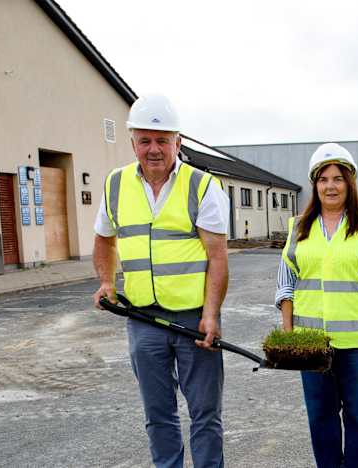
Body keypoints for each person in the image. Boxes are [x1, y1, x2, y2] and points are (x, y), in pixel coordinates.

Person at [92, 94, 230, 468]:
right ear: (133, 141)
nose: (153, 149)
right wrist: (107, 281)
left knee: (204, 413)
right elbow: (104, 239)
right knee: (158, 414)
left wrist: (212, 315)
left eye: (162, 140)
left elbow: (217, 255)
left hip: (193, 319)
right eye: (145, 140)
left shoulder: (202, 186)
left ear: (178, 142)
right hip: (142, 321)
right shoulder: (116, 184)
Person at [275, 143, 358, 468]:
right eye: (323, 180)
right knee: (321, 419)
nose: (330, 186)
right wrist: (289, 335)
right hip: (311, 345)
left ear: (349, 183)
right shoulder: (299, 229)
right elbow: (286, 284)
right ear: (315, 185)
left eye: (337, 179)